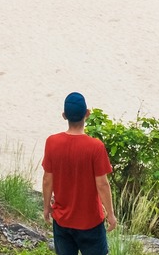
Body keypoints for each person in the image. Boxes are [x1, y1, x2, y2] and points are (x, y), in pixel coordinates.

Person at [42, 92, 117, 255]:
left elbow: (48, 179)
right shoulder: (95, 147)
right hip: (91, 222)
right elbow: (102, 184)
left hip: (62, 221)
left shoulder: (52, 142)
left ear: (64, 116)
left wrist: (46, 206)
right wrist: (110, 214)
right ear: (87, 114)